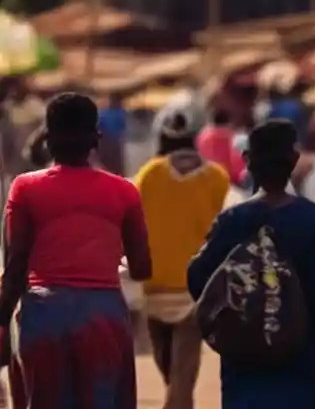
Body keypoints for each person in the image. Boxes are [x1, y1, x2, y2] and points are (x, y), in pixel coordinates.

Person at [0, 93, 152, 408]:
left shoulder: (25, 188)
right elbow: (142, 268)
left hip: (44, 317)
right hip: (104, 316)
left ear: (47, 139)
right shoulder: (124, 192)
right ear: (95, 140)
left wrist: (2, 319)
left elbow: (15, 269)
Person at [187, 119, 315, 409]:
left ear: (247, 161)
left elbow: (197, 280)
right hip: (303, 365)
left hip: (243, 365)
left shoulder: (231, 221)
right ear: (294, 160)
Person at [134, 113, 230, 409]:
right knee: (180, 374)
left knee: (171, 370)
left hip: (154, 286)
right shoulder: (217, 177)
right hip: (196, 287)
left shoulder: (148, 174)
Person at [198, 108, 247, 186]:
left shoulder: (203, 135)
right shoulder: (231, 136)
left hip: (207, 177)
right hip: (229, 179)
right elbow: (237, 160)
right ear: (229, 121)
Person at [97, 92, 129, 176]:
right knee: (116, 170)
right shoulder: (121, 113)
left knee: (107, 169)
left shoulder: (103, 114)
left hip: (106, 145)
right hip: (114, 144)